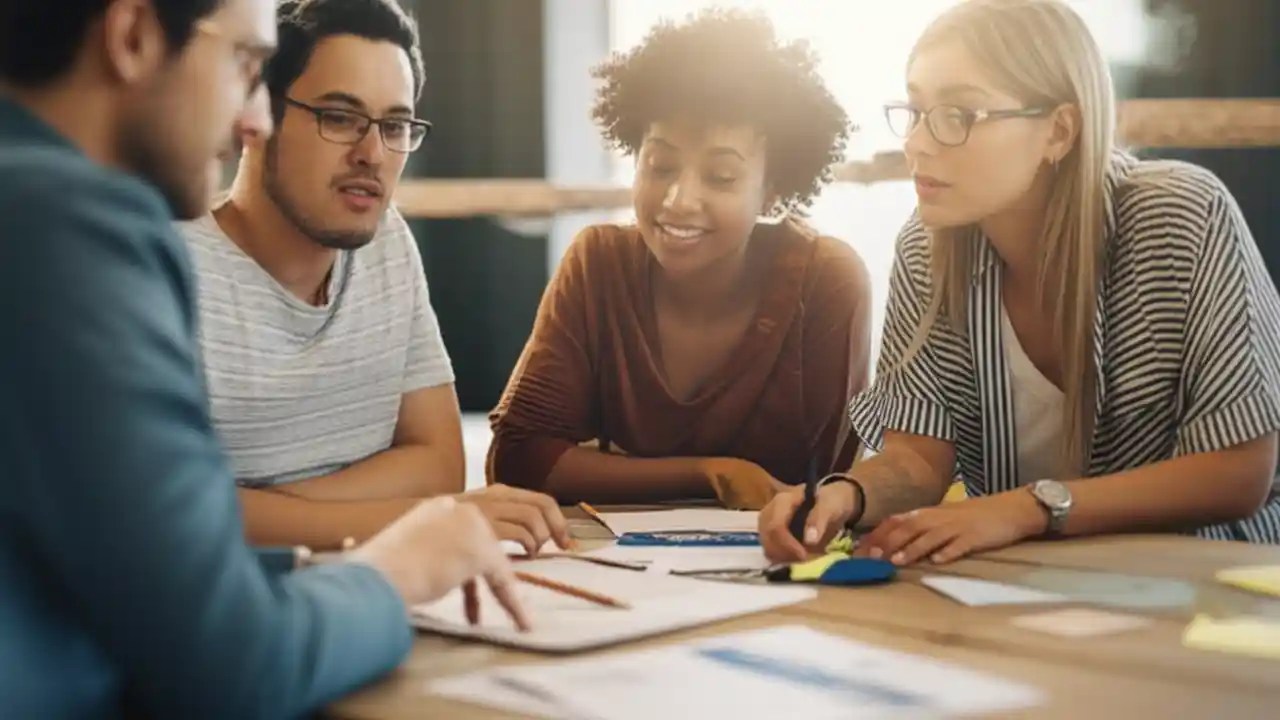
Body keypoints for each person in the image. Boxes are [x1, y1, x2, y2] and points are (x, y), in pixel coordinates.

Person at [0, 1, 527, 717]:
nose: (254, 120)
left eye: (395, 125)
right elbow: (233, 665)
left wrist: (254, 527)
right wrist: (398, 567)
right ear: (133, 37)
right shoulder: (68, 228)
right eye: (245, 64)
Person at [761, 0, 1280, 565]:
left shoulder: (1182, 216)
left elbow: (1239, 473)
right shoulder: (926, 248)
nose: (917, 143)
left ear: (1058, 131)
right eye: (916, 111)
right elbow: (917, 461)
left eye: (958, 114)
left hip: (1219, 579)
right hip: (1035, 583)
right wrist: (845, 496)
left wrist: (1026, 508)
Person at [179, 0, 568, 555]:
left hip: (377, 582)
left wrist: (252, 509)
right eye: (340, 118)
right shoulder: (171, 265)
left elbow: (439, 466)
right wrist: (418, 518)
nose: (373, 154)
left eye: (395, 126)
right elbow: (168, 514)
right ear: (258, 112)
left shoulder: (387, 243)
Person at [488, 8, 873, 508]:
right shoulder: (598, 265)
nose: (677, 200)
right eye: (660, 165)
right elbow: (518, 461)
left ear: (772, 191)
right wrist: (709, 475)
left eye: (721, 177)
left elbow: (828, 484)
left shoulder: (824, 281)